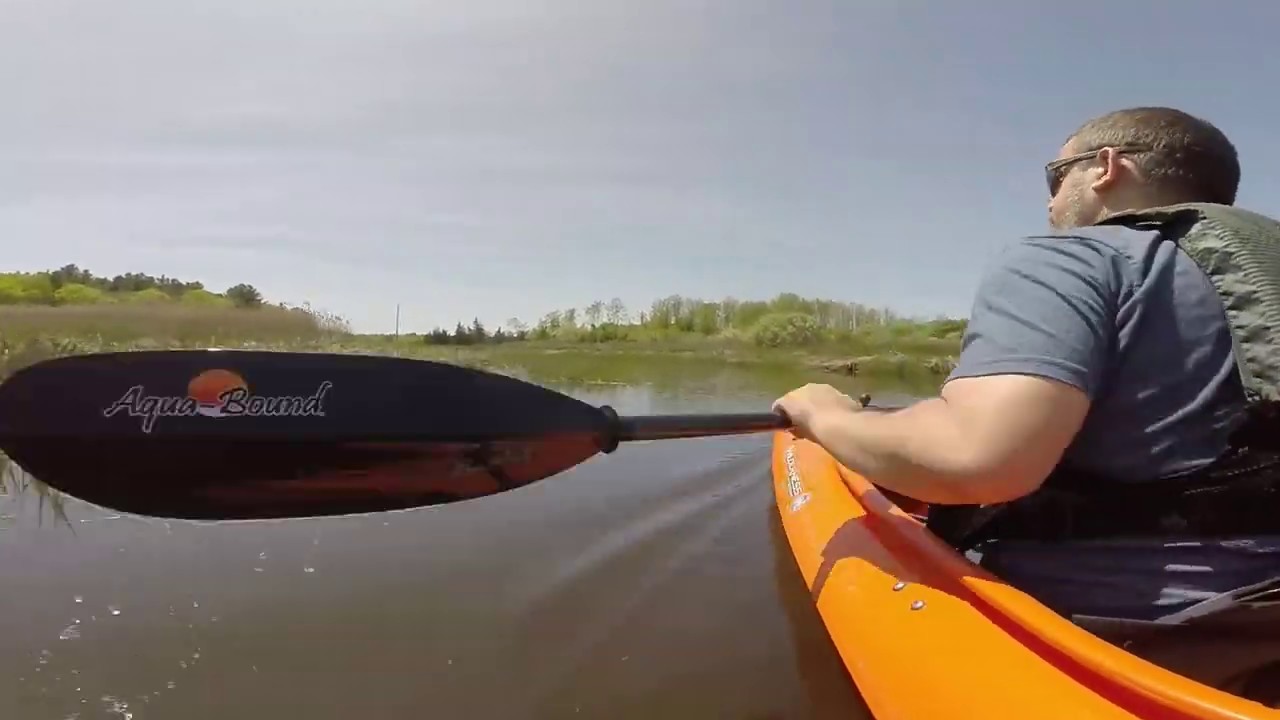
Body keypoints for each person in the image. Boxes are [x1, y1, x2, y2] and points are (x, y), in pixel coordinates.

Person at [772, 106, 1280, 703]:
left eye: (1054, 176)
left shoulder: (1077, 258)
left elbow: (978, 458)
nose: (1048, 202)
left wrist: (828, 417)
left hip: (1141, 639)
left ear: (1107, 168)